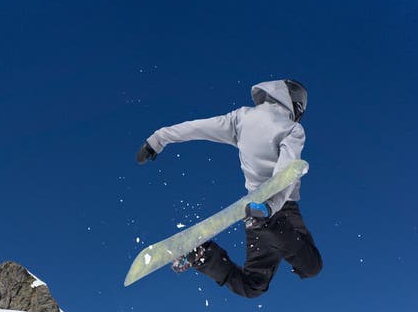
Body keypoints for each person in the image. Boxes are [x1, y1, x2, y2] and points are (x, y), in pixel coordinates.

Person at [135, 79, 322, 299]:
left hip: (253, 212)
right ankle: (265, 225)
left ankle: (200, 254)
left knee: (253, 285)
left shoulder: (240, 118)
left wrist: (158, 139)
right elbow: (286, 171)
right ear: (296, 105)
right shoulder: (293, 129)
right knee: (311, 266)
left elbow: (198, 127)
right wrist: (270, 207)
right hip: (278, 210)